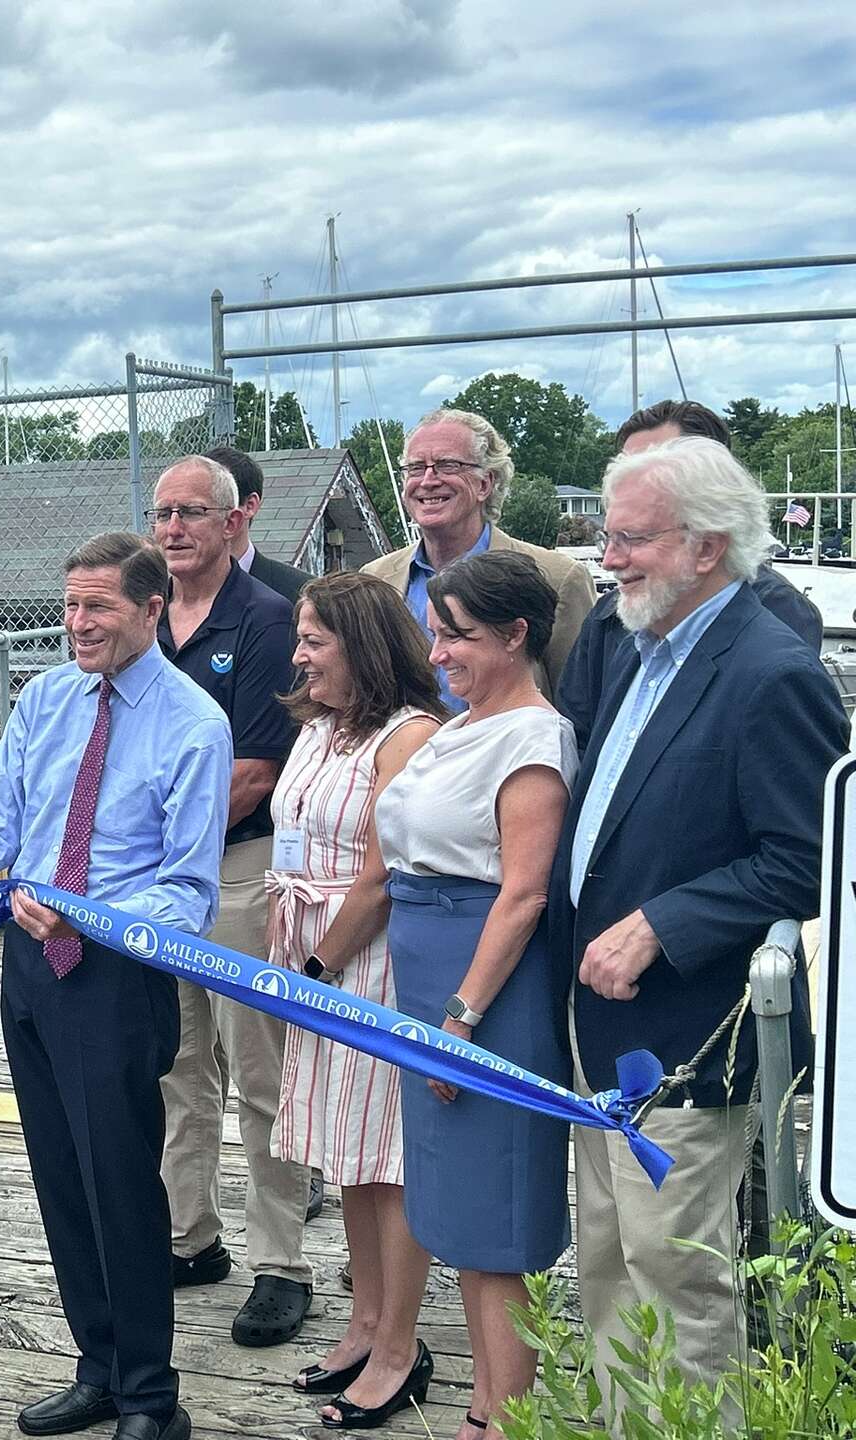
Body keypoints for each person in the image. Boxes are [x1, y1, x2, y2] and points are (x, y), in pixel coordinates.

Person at [0, 532, 232, 1440]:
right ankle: (95, 1365)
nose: (78, 624)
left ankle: (149, 1396)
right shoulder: (46, 701)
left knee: (122, 1186)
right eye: (69, 606)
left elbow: (189, 891)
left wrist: (88, 917)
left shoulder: (193, 725)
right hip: (30, 971)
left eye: (98, 607)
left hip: (116, 974)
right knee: (60, 1179)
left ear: (149, 610)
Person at [552, 437, 847, 1408]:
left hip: (687, 1032)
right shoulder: (642, 648)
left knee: (673, 1282)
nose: (609, 556)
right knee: (605, 1268)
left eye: (631, 538)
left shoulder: (770, 674)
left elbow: (810, 856)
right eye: (608, 535)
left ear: (707, 546)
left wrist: (663, 923)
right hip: (601, 1030)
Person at [374, 552, 576, 1438]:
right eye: (436, 629)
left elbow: (524, 891)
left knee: (502, 1215)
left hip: (484, 987)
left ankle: (511, 1417)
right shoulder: (460, 724)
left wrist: (462, 1017)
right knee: (456, 1205)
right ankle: (485, 1401)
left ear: (516, 635)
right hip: (427, 970)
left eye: (456, 634)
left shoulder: (534, 736)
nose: (438, 649)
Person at [261, 572, 443, 1428]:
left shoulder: (407, 738)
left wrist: (319, 970)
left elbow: (380, 878)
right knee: (347, 1151)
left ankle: (403, 1344)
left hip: (364, 966)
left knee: (390, 1156)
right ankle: (365, 1321)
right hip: (306, 945)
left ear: (361, 647)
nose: (299, 655)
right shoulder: (320, 729)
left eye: (314, 641)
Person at [147, 457, 314, 1348]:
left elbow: (254, 772)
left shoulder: (266, 621)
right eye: (162, 513)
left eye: (191, 514)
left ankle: (282, 1260)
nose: (173, 528)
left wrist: (149, 826)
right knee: (176, 1065)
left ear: (230, 523)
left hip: (237, 870)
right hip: (153, 881)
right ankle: (190, 1234)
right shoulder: (142, 616)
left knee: (262, 1072)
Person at [555, 400, 822, 748]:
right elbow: (580, 743)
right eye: (626, 465)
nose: (610, 561)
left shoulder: (778, 625)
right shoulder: (612, 618)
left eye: (659, 463)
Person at [362, 409, 593, 711]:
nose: (428, 480)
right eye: (416, 468)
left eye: (447, 465)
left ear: (486, 484)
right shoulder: (376, 579)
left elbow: (583, 707)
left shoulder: (558, 579)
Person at [207, 444, 311, 603]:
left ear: (249, 506)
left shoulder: (302, 594)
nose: (177, 526)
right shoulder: (164, 596)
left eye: (199, 508)